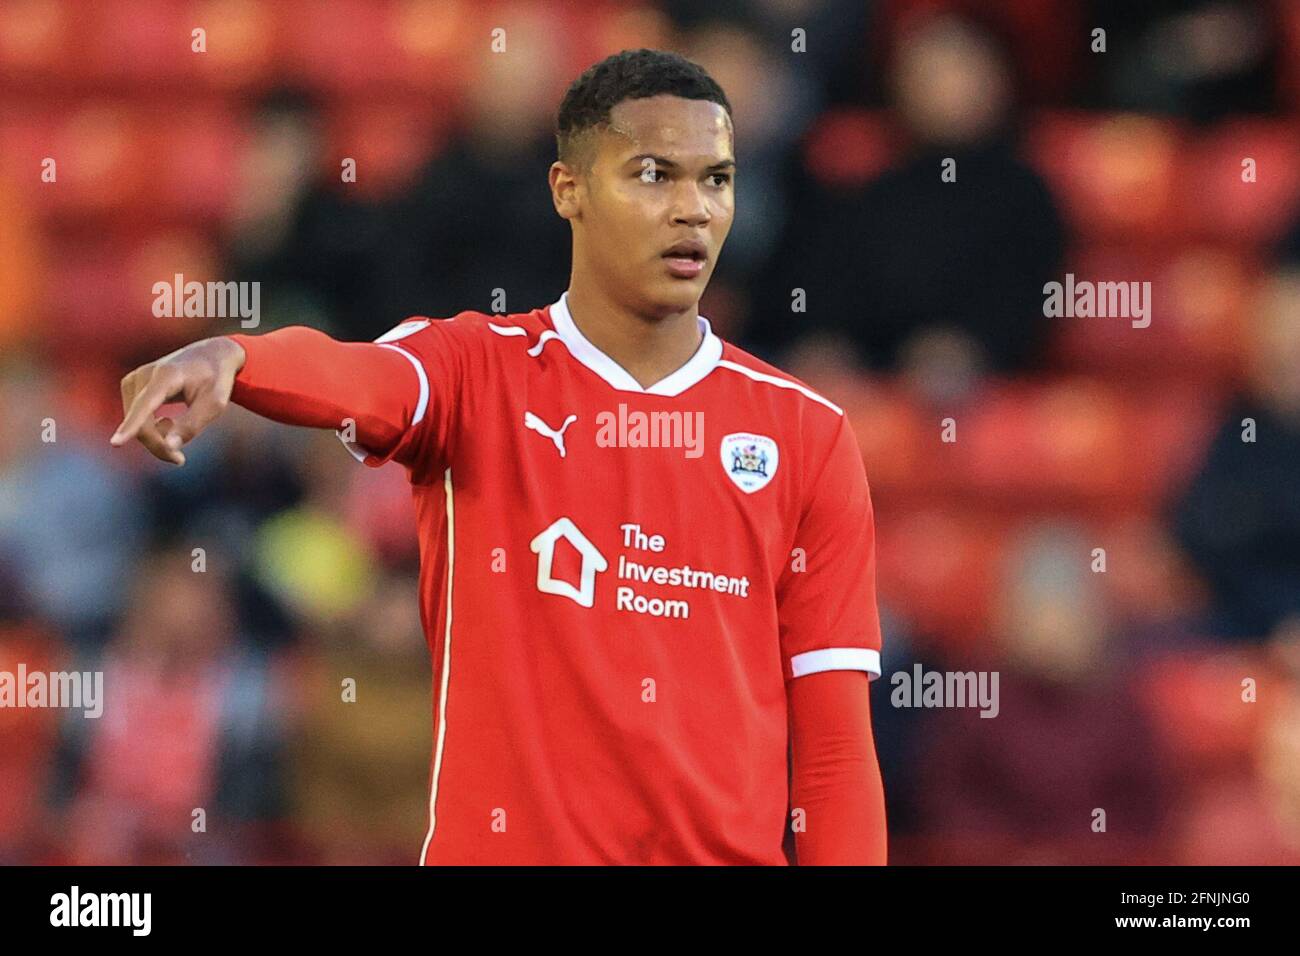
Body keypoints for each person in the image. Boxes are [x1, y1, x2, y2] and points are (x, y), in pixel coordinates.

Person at [110, 49, 886, 865]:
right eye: (654, 175)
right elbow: (366, 377)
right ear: (569, 190)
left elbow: (833, 753)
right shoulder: (476, 370)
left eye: (716, 180)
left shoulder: (806, 434)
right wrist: (237, 358)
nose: (692, 209)